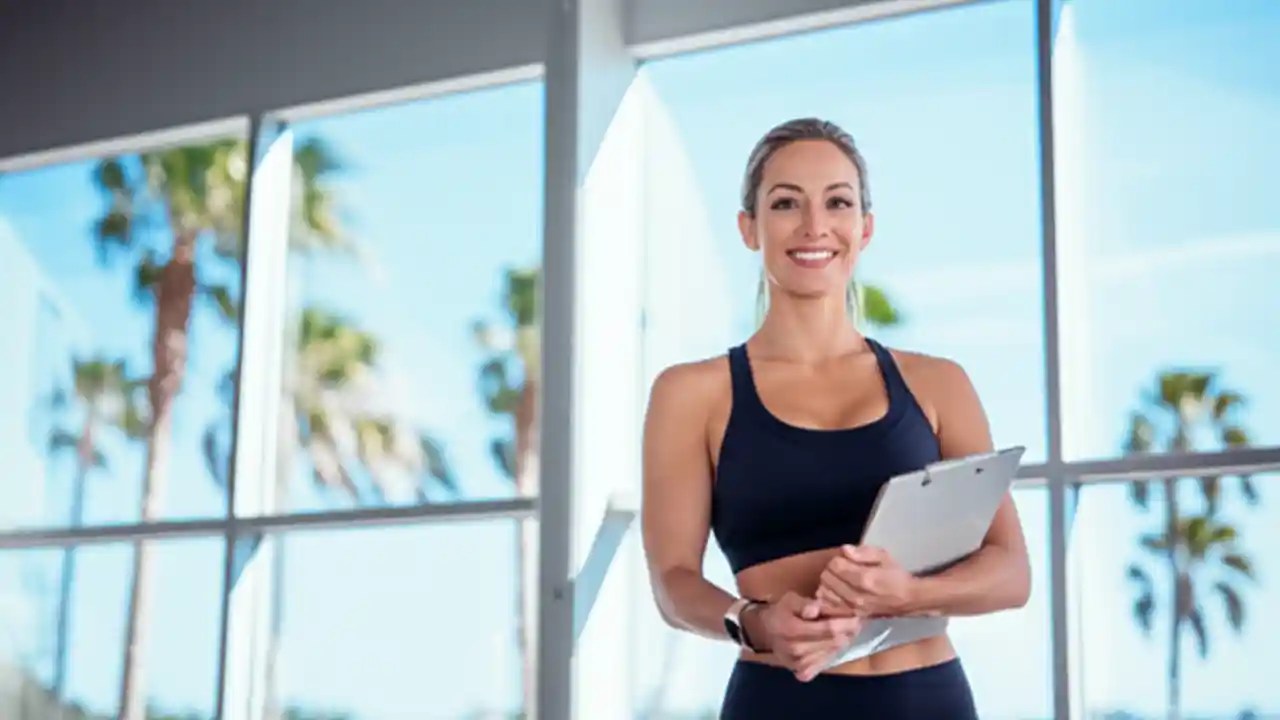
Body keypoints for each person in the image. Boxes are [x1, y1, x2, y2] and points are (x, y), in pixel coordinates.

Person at [640, 117, 1032, 719]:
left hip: (926, 699)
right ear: (749, 228)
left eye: (838, 202)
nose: (814, 226)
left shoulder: (938, 384)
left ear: (865, 228)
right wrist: (754, 622)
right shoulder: (691, 394)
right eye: (786, 203)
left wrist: (911, 594)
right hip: (780, 702)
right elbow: (673, 584)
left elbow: (1011, 572)